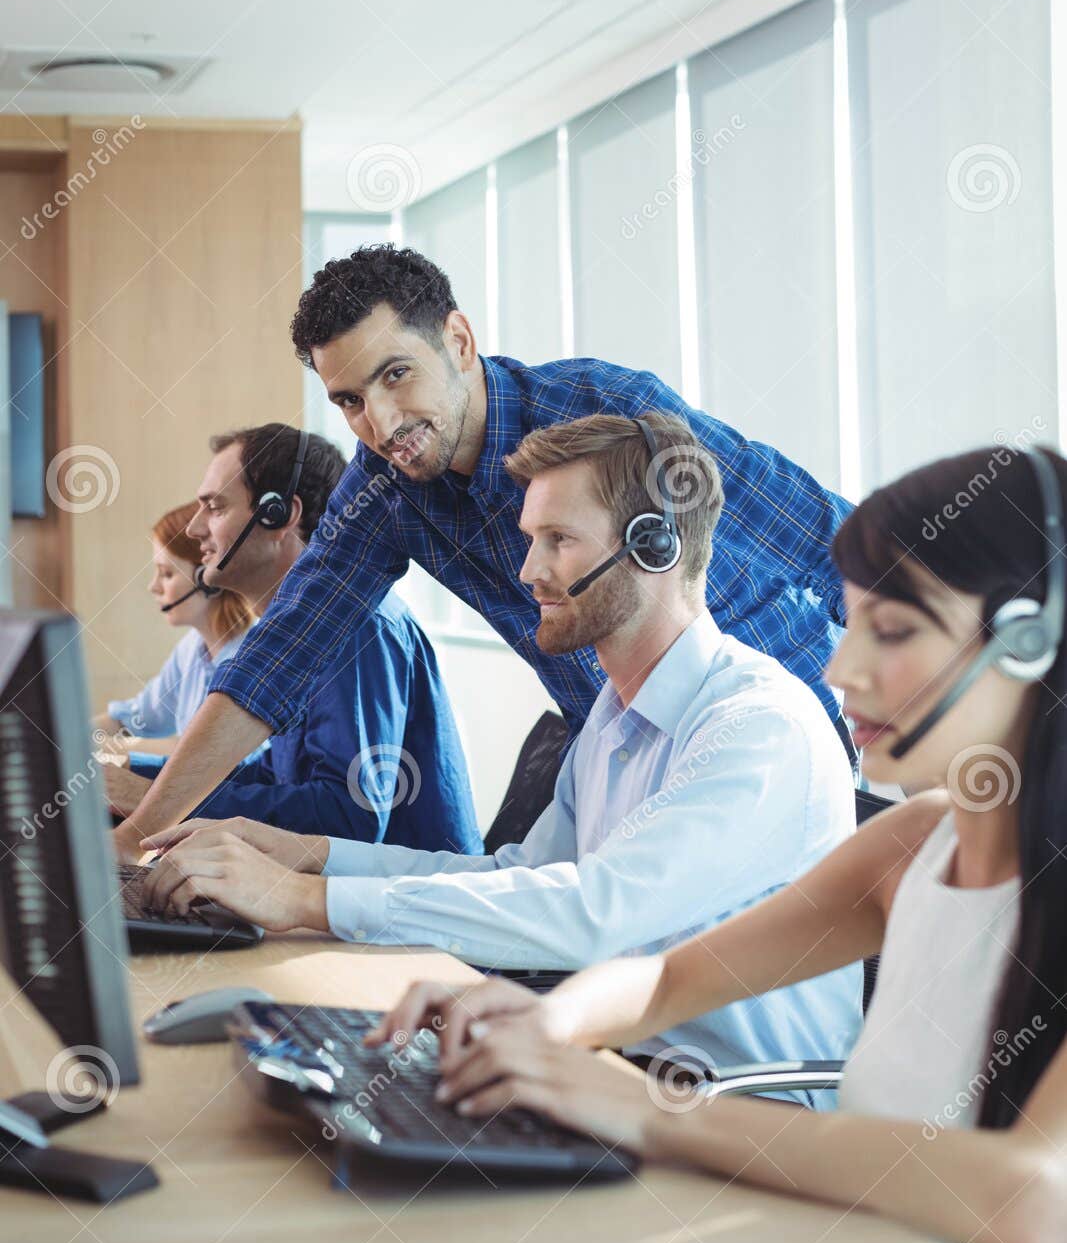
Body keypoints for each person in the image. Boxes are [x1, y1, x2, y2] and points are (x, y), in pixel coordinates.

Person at [371, 444, 1067, 1243]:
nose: (840, 669)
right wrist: (547, 1023)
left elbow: (1031, 1197)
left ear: (1030, 641)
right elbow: (669, 979)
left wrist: (646, 1110)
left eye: (891, 631)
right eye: (849, 624)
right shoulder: (917, 842)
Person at [139, 412, 860, 1096]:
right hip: (613, 1069)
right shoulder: (612, 714)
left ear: (654, 548)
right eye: (529, 539)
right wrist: (313, 855)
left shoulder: (758, 727)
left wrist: (303, 900)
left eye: (558, 541)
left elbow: (593, 914)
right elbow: (523, 874)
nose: (526, 571)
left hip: (737, 1107)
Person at [113, 246, 854, 857]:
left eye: (395, 374)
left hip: (758, 734)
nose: (380, 422)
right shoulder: (385, 489)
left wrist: (942, 710)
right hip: (609, 738)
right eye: (348, 400)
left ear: (459, 343)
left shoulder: (607, 411)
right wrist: (138, 840)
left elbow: (825, 538)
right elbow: (279, 657)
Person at [107, 423, 480, 852]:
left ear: (279, 515)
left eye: (215, 507)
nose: (193, 529)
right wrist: (131, 771)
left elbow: (347, 817)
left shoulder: (355, 625)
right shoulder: (285, 633)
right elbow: (274, 777)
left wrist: (148, 801)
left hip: (393, 910)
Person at [94, 500, 253, 756]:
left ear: (208, 580)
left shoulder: (247, 657)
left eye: (167, 574)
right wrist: (63, 735)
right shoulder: (192, 648)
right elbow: (133, 719)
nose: (153, 587)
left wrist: (90, 747)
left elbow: (194, 754)